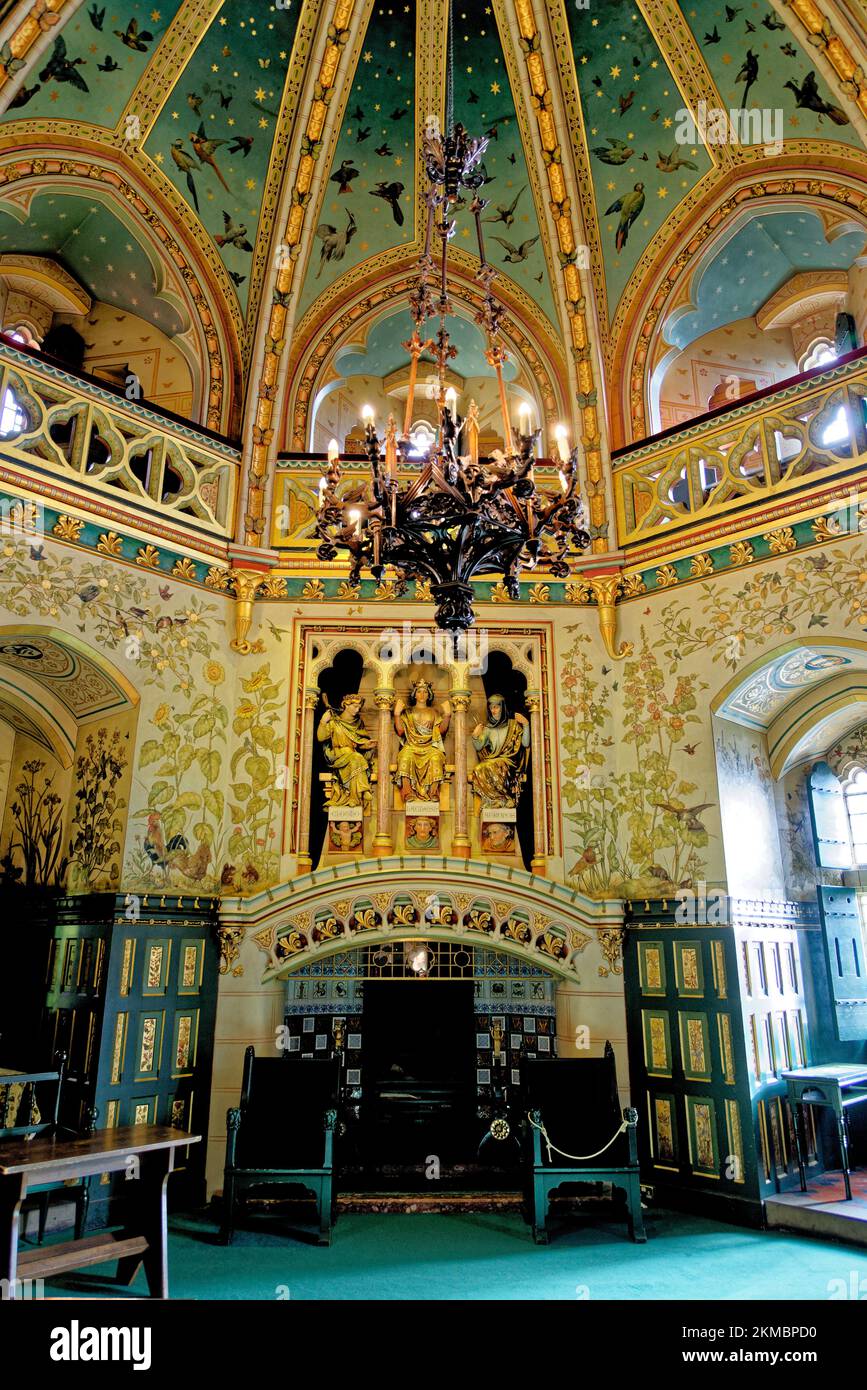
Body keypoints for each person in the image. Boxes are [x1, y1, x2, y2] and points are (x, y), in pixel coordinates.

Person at [393, 679, 450, 802]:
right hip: (411, 746)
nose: (422, 695)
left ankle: (433, 792)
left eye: (425, 692)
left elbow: (441, 731)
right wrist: (397, 714)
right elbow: (400, 731)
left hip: (430, 747)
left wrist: (447, 715)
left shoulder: (434, 712)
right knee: (405, 756)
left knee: (436, 757)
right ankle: (407, 792)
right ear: (414, 694)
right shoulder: (408, 712)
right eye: (419, 692)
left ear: (429, 694)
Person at [317, 692, 376, 809]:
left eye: (359, 707)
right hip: (337, 756)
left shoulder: (358, 723)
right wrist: (323, 721)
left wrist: (366, 745)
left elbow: (359, 741)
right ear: (345, 705)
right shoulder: (334, 722)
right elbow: (321, 737)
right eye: (355, 706)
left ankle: (354, 798)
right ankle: (364, 790)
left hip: (351, 757)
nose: (357, 709)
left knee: (355, 759)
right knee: (356, 757)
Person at [470, 694, 530, 809]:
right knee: (477, 770)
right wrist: (475, 736)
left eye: (496, 707)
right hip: (493, 761)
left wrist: (526, 725)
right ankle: (494, 799)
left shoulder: (513, 726)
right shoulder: (488, 729)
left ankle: (505, 797)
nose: (493, 710)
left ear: (503, 708)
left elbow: (526, 743)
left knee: (493, 765)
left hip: (509, 761)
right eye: (491, 707)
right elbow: (478, 747)